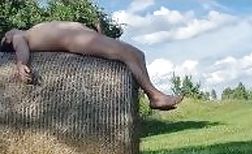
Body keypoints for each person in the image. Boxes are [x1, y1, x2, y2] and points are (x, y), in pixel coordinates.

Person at [0, 21, 183, 110]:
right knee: (128, 53)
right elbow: (21, 49)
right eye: (5, 35)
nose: (8, 32)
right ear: (7, 40)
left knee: (137, 54)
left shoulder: (30, 31)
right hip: (78, 41)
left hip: (83, 37)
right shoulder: (18, 37)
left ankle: (154, 93)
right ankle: (155, 96)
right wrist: (21, 63)